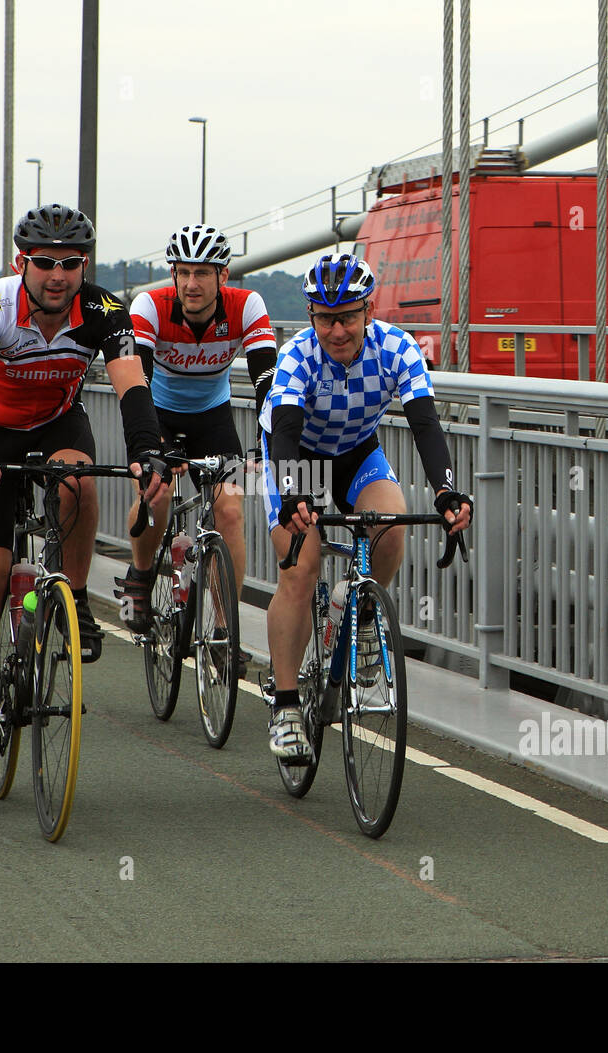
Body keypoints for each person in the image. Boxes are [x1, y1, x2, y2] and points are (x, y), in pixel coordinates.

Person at [0, 203, 167, 787]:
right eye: (44, 263)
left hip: (56, 426)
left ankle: (73, 596)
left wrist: (148, 451)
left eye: (71, 263)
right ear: (22, 262)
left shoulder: (103, 310)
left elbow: (131, 384)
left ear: (84, 265)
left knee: (77, 479)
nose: (57, 275)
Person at [259, 252, 472, 762]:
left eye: (348, 316)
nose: (336, 330)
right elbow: (285, 430)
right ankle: (287, 706)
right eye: (325, 318)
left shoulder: (398, 349)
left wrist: (445, 491)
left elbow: (425, 424)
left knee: (391, 525)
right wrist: (292, 496)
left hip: (356, 452)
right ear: (311, 316)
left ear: (368, 312)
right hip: (297, 456)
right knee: (301, 567)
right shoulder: (297, 357)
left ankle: (362, 615)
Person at [114, 225, 275, 660]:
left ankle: (225, 632)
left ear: (223, 276)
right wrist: (157, 442)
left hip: (214, 418)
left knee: (231, 511)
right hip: (158, 413)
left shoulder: (247, 305)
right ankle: (143, 573)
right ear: (172, 273)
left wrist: (268, 439)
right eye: (182, 272)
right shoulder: (150, 305)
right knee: (156, 492)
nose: (191, 284)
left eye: (202, 273)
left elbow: (266, 382)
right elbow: (138, 380)